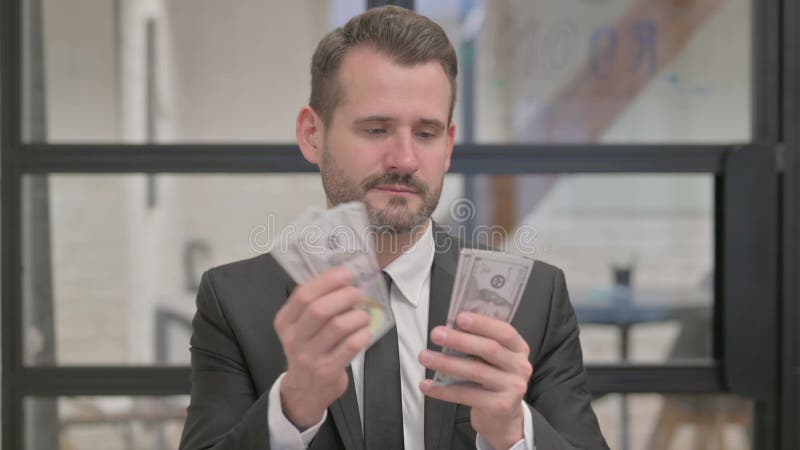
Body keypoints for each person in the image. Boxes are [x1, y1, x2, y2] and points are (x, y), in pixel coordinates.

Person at [179, 6, 608, 450]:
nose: (404, 160)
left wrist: (514, 432)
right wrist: (291, 408)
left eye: (426, 134)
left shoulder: (535, 301)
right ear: (312, 134)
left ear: (448, 146)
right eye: (376, 129)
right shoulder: (234, 303)